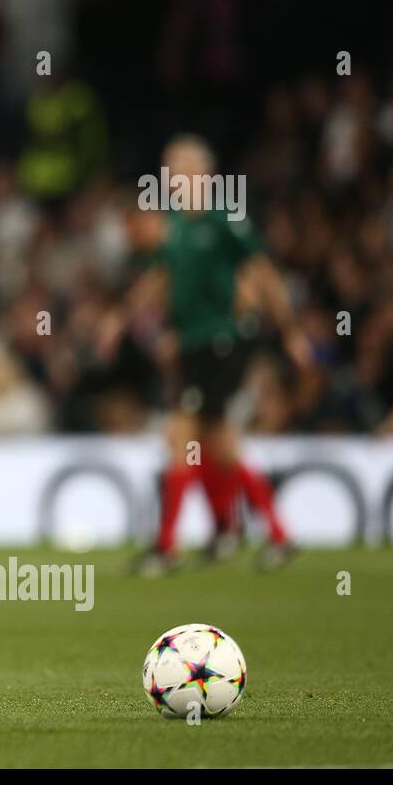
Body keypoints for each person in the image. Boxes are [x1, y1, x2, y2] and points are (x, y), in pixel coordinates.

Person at [97, 134, 312, 576]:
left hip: (221, 342)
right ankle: (268, 534)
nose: (169, 177)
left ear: (202, 174)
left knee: (184, 435)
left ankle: (167, 547)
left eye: (176, 168)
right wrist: (120, 318)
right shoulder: (176, 225)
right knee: (216, 443)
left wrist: (291, 332)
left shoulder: (224, 219)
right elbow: (160, 278)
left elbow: (263, 274)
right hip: (194, 344)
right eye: (168, 169)